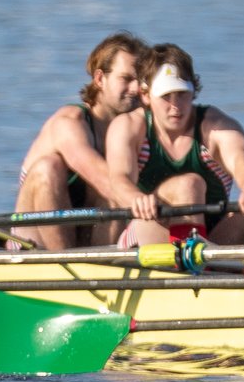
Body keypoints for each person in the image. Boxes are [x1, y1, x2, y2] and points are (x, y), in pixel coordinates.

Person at [101, 42, 244, 249]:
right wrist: (137, 199)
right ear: (145, 95)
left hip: (214, 239)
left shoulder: (217, 126)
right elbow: (119, 179)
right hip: (151, 230)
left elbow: (240, 158)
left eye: (182, 94)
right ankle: (194, 269)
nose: (175, 106)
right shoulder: (128, 127)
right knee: (189, 184)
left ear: (193, 91)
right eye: (166, 96)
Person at [10, 32, 145, 250]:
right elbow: (106, 183)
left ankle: (104, 269)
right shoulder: (69, 123)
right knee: (50, 167)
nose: (136, 88)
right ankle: (63, 264)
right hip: (33, 243)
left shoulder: (136, 129)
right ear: (100, 79)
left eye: (141, 80)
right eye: (127, 79)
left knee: (118, 187)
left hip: (88, 239)